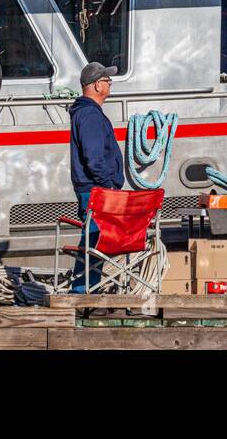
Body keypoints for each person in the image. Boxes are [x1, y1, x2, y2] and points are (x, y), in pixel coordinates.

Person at [68, 61, 124, 291]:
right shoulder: (90, 115)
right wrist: (109, 186)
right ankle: (82, 292)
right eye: (106, 79)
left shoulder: (88, 113)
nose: (110, 82)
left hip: (94, 189)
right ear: (95, 86)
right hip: (96, 190)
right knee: (93, 240)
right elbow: (94, 158)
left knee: (94, 241)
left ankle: (85, 290)